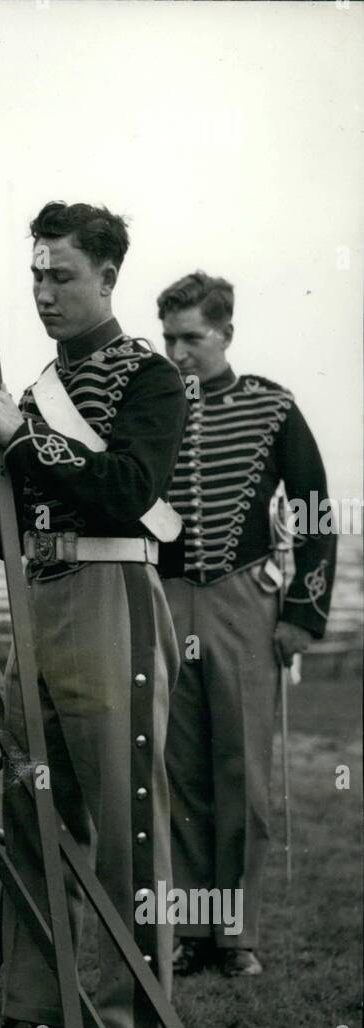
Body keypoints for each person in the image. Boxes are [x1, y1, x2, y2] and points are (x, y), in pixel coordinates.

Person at [0, 202, 187, 1028]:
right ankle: (36, 1009)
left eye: (63, 277)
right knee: (32, 813)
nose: (45, 293)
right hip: (36, 593)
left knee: (125, 817)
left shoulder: (149, 378)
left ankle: (138, 1025)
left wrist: (26, 440)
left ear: (108, 279)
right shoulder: (31, 392)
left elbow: (126, 489)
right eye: (37, 277)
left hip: (109, 592)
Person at [157, 271, 336, 977]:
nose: (176, 352)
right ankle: (189, 932)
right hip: (168, 598)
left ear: (224, 334)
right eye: (167, 337)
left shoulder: (270, 407)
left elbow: (316, 508)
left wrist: (302, 614)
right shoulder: (152, 405)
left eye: (191, 338)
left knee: (242, 774)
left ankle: (236, 937)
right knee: (176, 774)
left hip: (241, 603)